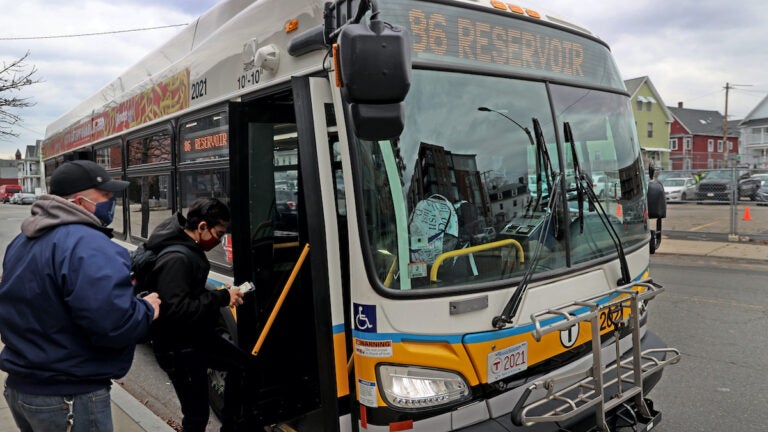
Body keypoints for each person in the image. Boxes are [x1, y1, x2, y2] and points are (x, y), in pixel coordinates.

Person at [0, 160, 161, 432]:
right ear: (80, 201)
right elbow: (115, 324)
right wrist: (147, 309)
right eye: (106, 196)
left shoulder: (24, 240)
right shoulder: (89, 244)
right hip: (69, 395)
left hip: (23, 389)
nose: (112, 202)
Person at [145, 197, 244, 432]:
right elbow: (176, 310)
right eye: (218, 234)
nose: (218, 241)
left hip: (193, 338)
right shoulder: (177, 259)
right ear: (201, 227)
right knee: (196, 415)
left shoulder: (188, 250)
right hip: (179, 348)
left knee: (241, 366)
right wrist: (221, 297)